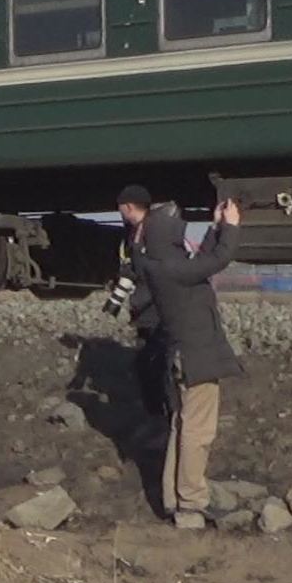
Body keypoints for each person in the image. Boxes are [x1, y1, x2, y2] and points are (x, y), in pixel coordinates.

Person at [141, 198, 243, 529]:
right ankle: (191, 504)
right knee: (198, 432)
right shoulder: (172, 268)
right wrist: (231, 226)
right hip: (197, 359)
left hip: (184, 358)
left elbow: (203, 260)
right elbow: (219, 259)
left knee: (182, 428)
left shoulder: (162, 264)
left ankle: (176, 500)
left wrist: (215, 228)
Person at [116, 185, 170, 431]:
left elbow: (143, 270)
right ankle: (158, 417)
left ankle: (160, 419)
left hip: (155, 310)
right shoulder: (141, 230)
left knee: (154, 365)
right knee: (149, 364)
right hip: (149, 310)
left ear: (128, 206)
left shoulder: (148, 232)